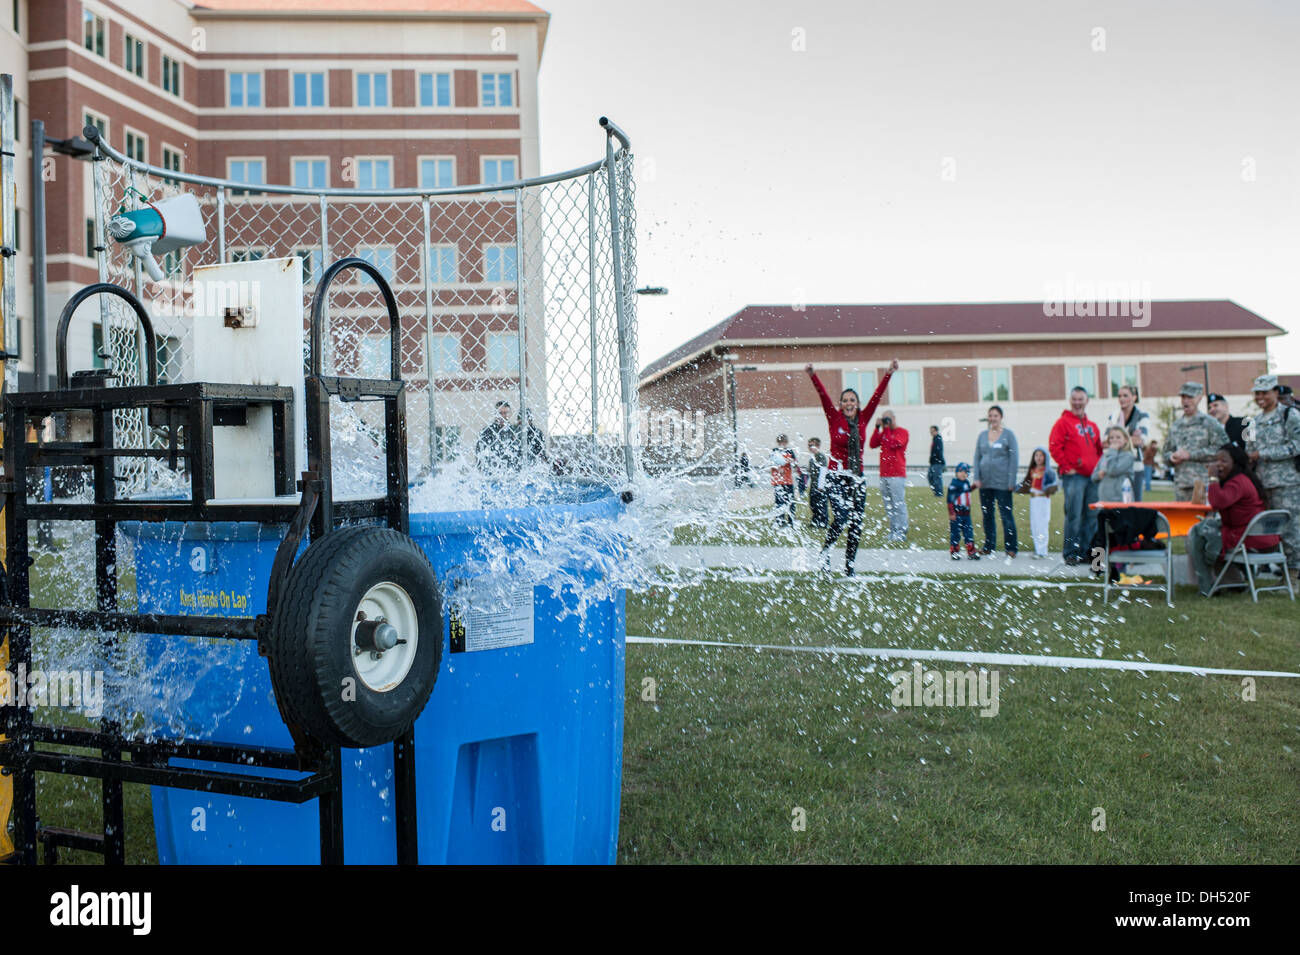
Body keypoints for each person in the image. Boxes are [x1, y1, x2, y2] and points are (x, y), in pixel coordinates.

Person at [805, 359, 898, 575]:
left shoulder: (864, 418)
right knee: (842, 517)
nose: (849, 403)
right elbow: (823, 395)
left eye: (852, 400)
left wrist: (889, 372)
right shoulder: (834, 417)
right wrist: (812, 375)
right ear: (840, 404)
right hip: (836, 477)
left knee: (856, 523)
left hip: (857, 478)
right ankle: (825, 553)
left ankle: (849, 566)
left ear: (857, 403)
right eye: (845, 400)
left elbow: (877, 395)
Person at [1187, 444, 1279, 596]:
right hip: (1260, 537)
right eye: (1216, 460)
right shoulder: (1242, 479)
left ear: (1235, 463)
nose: (1218, 465)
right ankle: (1231, 581)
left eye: (1223, 461)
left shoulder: (1237, 482)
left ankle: (1209, 585)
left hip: (1249, 538)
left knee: (1198, 536)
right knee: (1202, 532)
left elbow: (1216, 503)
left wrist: (1212, 478)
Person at [1244, 373, 1300, 575]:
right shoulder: (1251, 422)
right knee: (1269, 530)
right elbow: (1247, 449)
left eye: (1265, 393)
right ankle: (1278, 569)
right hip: (1262, 485)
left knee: (1291, 529)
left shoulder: (1290, 415)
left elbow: (1297, 445)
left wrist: (1264, 454)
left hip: (1287, 483)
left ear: (1276, 392)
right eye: (1257, 393)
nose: (1260, 397)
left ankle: (1294, 574)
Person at [1049, 386, 1103, 565]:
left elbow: (1099, 451)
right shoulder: (1062, 423)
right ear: (1070, 401)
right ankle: (1071, 552)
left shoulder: (1092, 426)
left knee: (1092, 515)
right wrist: (1066, 466)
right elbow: (1054, 446)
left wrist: (1100, 469)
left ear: (1087, 401)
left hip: (1093, 478)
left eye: (1081, 399)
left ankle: (1087, 552)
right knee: (1074, 515)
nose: (1078, 402)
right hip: (1074, 477)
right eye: (1075, 399)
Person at [1164, 382, 1230, 502]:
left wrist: (1191, 455)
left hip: (1203, 484)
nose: (1186, 401)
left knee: (1203, 520)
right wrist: (1171, 457)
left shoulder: (1210, 423)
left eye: (1190, 397)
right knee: (1183, 520)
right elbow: (1165, 453)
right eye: (1183, 397)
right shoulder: (1176, 426)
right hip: (1181, 486)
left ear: (1199, 397)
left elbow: (1223, 451)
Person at [971, 404, 1019, 557]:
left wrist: (1012, 481)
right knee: (987, 515)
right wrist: (977, 478)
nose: (993, 419)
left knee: (1006, 515)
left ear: (1001, 417)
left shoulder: (1008, 435)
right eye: (990, 416)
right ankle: (989, 545)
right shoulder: (982, 435)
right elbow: (977, 458)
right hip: (985, 483)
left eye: (995, 416)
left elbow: (1014, 458)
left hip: (1003, 483)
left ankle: (1011, 547)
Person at [870, 408, 909, 543]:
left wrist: (886, 429)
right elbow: (872, 444)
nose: (886, 421)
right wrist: (877, 428)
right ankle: (893, 530)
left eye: (888, 418)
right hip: (884, 474)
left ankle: (901, 531)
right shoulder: (884, 433)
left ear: (893, 418)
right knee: (889, 505)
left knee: (898, 504)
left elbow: (893, 444)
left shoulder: (902, 432)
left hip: (897, 474)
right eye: (884, 419)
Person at [1016, 446, 1059, 558]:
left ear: (1045, 457)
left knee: (1042, 525)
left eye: (1041, 455)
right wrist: (1014, 488)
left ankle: (1042, 551)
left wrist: (1049, 489)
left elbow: (1054, 485)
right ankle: (1037, 549)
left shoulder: (1048, 472)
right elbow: (1026, 484)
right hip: (1033, 499)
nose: (1039, 458)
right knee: (1034, 524)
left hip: (1043, 499)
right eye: (1036, 455)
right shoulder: (1032, 470)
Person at [1109, 384, 1150, 501]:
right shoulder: (1113, 417)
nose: (1121, 399)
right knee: (1117, 504)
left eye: (1125, 395)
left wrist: (1116, 439)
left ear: (1134, 397)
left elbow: (1140, 441)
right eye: (1119, 396)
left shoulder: (1142, 416)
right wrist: (1129, 438)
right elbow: (1105, 441)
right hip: (1116, 466)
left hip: (1135, 467)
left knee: (1135, 504)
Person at [1091, 425, 1138, 502]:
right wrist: (1098, 475)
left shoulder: (1128, 456)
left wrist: (1113, 451)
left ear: (1126, 440)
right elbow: (1093, 476)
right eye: (1111, 438)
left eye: (1118, 437)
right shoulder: (1106, 456)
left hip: (1120, 500)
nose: (1114, 440)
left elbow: (1113, 471)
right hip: (1104, 499)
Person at [476, 399, 520, 472]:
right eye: (500, 413)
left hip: (512, 470)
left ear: (510, 414)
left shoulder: (515, 431)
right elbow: (480, 454)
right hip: (492, 471)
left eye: (505, 413)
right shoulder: (487, 432)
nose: (503, 416)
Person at [947, 463, 979, 560]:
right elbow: (950, 500)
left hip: (966, 514)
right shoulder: (954, 485)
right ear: (956, 473)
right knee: (955, 533)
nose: (963, 474)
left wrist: (974, 486)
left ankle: (971, 551)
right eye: (960, 471)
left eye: (965, 472)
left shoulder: (966, 483)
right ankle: (954, 551)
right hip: (957, 514)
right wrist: (952, 512)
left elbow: (967, 490)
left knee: (968, 533)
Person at [769, 434, 800, 528]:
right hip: (778, 481)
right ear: (778, 443)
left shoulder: (790, 451)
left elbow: (795, 465)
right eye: (780, 443)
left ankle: (791, 520)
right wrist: (777, 468)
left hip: (788, 481)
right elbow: (770, 464)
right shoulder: (774, 451)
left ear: (786, 443)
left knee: (790, 501)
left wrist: (792, 462)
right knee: (779, 502)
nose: (782, 444)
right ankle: (780, 520)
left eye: (784, 443)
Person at [806, 437, 829, 528]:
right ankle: (815, 521)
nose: (810, 447)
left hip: (820, 485)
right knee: (813, 504)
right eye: (809, 445)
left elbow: (823, 471)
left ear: (818, 446)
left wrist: (820, 486)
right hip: (813, 484)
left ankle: (823, 522)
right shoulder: (812, 457)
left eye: (812, 445)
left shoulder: (821, 456)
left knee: (821, 504)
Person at [927, 425, 945, 497]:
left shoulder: (938, 439)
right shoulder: (934, 439)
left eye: (932, 431)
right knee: (930, 477)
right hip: (933, 463)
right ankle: (936, 492)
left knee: (936, 478)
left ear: (936, 431)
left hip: (937, 463)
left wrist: (941, 463)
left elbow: (938, 452)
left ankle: (939, 493)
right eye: (930, 431)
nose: (931, 432)